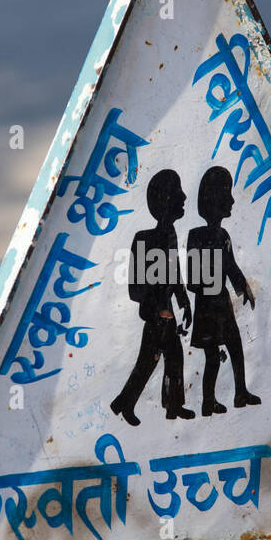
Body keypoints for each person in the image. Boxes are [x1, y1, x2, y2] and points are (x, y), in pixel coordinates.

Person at [110, 170, 194, 425]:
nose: (184, 197)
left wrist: (184, 302)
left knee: (171, 359)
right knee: (148, 363)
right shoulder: (144, 239)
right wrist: (157, 309)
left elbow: (175, 273)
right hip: (156, 315)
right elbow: (135, 287)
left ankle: (171, 406)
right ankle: (125, 403)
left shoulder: (171, 235)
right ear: (165, 200)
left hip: (168, 313)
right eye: (178, 192)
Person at [186, 166, 261, 416]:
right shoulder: (196, 235)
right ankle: (208, 401)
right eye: (226, 194)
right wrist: (209, 284)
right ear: (214, 198)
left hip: (222, 302)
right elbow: (193, 277)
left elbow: (231, 266)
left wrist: (243, 288)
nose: (232, 200)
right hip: (207, 306)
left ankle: (240, 392)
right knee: (212, 357)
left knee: (236, 347)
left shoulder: (223, 235)